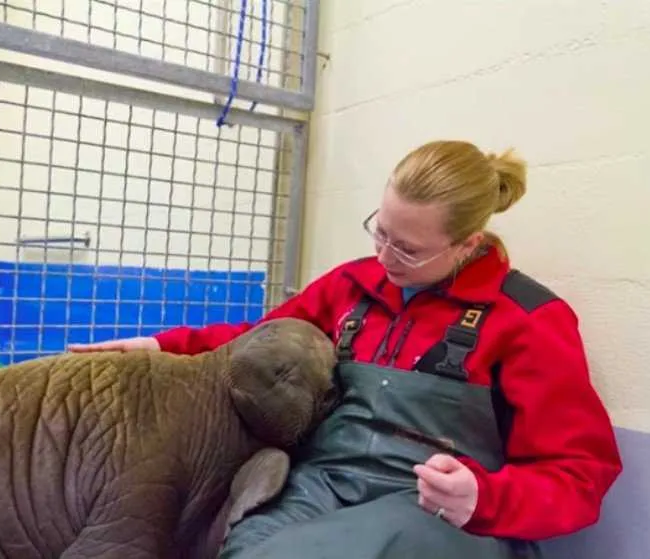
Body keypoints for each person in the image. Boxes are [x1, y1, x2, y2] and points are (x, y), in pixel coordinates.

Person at [68, 140, 622, 558]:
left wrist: (485, 498)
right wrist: (159, 347)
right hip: (327, 482)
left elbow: (581, 475)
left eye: (407, 248)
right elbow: (260, 341)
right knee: (242, 546)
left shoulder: (527, 320)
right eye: (379, 232)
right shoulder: (352, 286)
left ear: (469, 245)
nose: (385, 257)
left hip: (442, 516)